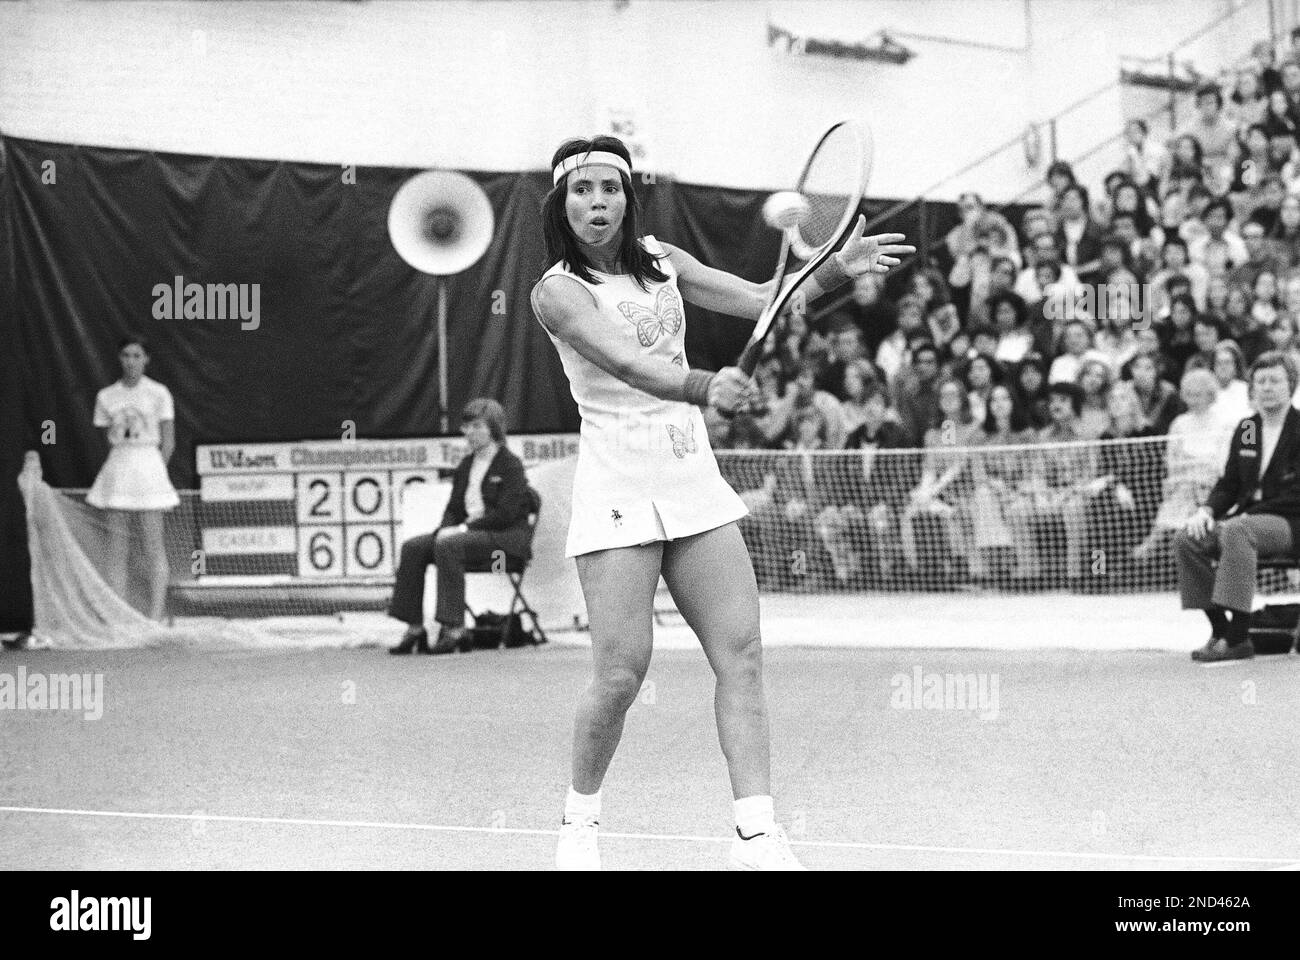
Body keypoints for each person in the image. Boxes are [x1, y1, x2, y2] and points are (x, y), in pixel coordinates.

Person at [529, 134, 912, 870]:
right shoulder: (558, 291)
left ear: (627, 196)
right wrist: (706, 385)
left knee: (740, 655)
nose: (597, 203)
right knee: (620, 672)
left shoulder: (665, 260)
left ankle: (756, 834)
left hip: (691, 481)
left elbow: (767, 302)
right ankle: (579, 824)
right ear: (560, 204)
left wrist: (832, 271)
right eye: (581, 192)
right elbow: (627, 363)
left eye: (608, 188)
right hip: (617, 486)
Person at [1175, 351, 1300, 661]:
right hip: (1243, 522)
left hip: (1289, 522)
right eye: (1261, 381)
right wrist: (1205, 511)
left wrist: (1246, 515)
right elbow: (1229, 484)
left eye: (1275, 381)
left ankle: (1238, 636)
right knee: (1188, 538)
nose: (1267, 387)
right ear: (1252, 387)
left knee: (1238, 528)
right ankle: (1221, 630)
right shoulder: (1247, 428)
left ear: (1292, 386)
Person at [387, 398, 532, 655]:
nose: (469, 433)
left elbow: (506, 515)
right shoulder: (466, 465)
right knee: (414, 547)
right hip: (466, 538)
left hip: (505, 541)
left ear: (494, 428)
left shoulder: (511, 465)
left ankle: (455, 629)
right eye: (467, 426)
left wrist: (462, 529)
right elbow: (454, 509)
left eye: (477, 426)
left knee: (448, 544)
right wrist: (445, 527)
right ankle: (414, 627)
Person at [87, 335, 180, 620]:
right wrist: (124, 463)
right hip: (119, 469)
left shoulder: (159, 393)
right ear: (119, 358)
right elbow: (108, 437)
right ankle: (120, 617)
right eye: (126, 355)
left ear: (146, 359)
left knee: (154, 546)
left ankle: (154, 616)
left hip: (149, 467)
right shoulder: (106, 396)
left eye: (137, 355)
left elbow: (168, 441)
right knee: (116, 550)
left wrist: (154, 472)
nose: (131, 361)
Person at [1132, 368, 1232, 564]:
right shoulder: (1179, 423)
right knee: (1183, 492)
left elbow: (1222, 463)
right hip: (1182, 485)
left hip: (1212, 485)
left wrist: (1198, 475)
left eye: (1198, 395)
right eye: (1189, 395)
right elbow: (1172, 462)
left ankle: (1152, 545)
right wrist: (1187, 475)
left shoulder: (1223, 422)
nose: (1193, 400)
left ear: (1210, 395)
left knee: (1191, 493)